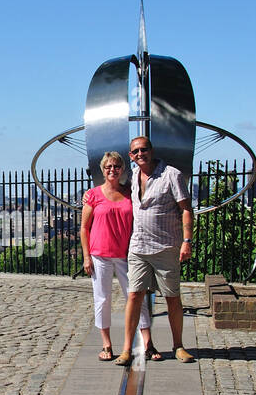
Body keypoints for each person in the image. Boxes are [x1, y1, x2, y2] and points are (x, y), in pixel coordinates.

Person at [116, 136, 196, 366]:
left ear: (151, 150)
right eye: (135, 151)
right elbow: (113, 190)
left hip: (165, 246)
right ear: (131, 155)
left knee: (172, 297)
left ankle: (178, 345)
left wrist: (187, 240)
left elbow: (186, 209)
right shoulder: (132, 175)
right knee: (134, 296)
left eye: (144, 149)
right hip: (138, 246)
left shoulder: (172, 174)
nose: (140, 154)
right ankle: (126, 349)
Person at [81, 152, 160, 361]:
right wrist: (86, 256)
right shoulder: (93, 195)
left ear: (122, 169)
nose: (112, 170)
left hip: (127, 254)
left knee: (136, 298)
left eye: (116, 166)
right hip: (100, 255)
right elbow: (84, 227)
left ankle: (147, 342)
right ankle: (106, 344)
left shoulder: (130, 192)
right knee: (102, 299)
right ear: (102, 169)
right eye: (108, 167)